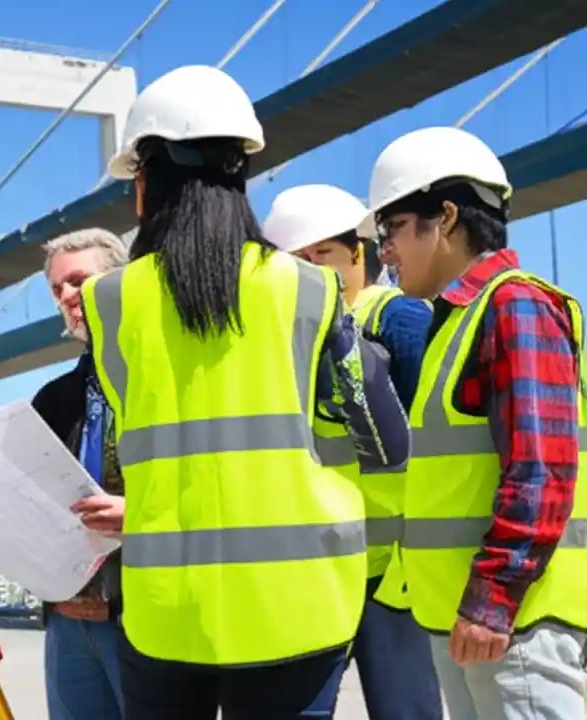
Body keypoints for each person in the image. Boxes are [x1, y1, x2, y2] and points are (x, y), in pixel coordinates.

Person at [78, 65, 411, 719]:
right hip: (299, 603)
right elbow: (385, 440)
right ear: (241, 175)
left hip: (167, 611)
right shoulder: (309, 290)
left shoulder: (110, 302)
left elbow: (134, 439)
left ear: (146, 181)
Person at [361, 125, 587, 720]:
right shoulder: (452, 322)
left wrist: (493, 599)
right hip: (464, 619)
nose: (382, 251)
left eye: (391, 230)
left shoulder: (515, 305)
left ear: (445, 216)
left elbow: (541, 466)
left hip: (515, 623)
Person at [262, 184, 442, 720]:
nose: (311, 271)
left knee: (405, 709)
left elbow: (434, 448)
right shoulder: (282, 338)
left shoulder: (400, 320)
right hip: (318, 565)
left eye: (324, 255)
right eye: (297, 260)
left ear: (358, 254)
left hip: (388, 571)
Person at [0, 227, 131, 719]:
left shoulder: (167, 379)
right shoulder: (55, 398)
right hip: (69, 624)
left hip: (142, 619)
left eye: (79, 281)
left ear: (123, 282)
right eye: (57, 290)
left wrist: (145, 514)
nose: (67, 297)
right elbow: (16, 498)